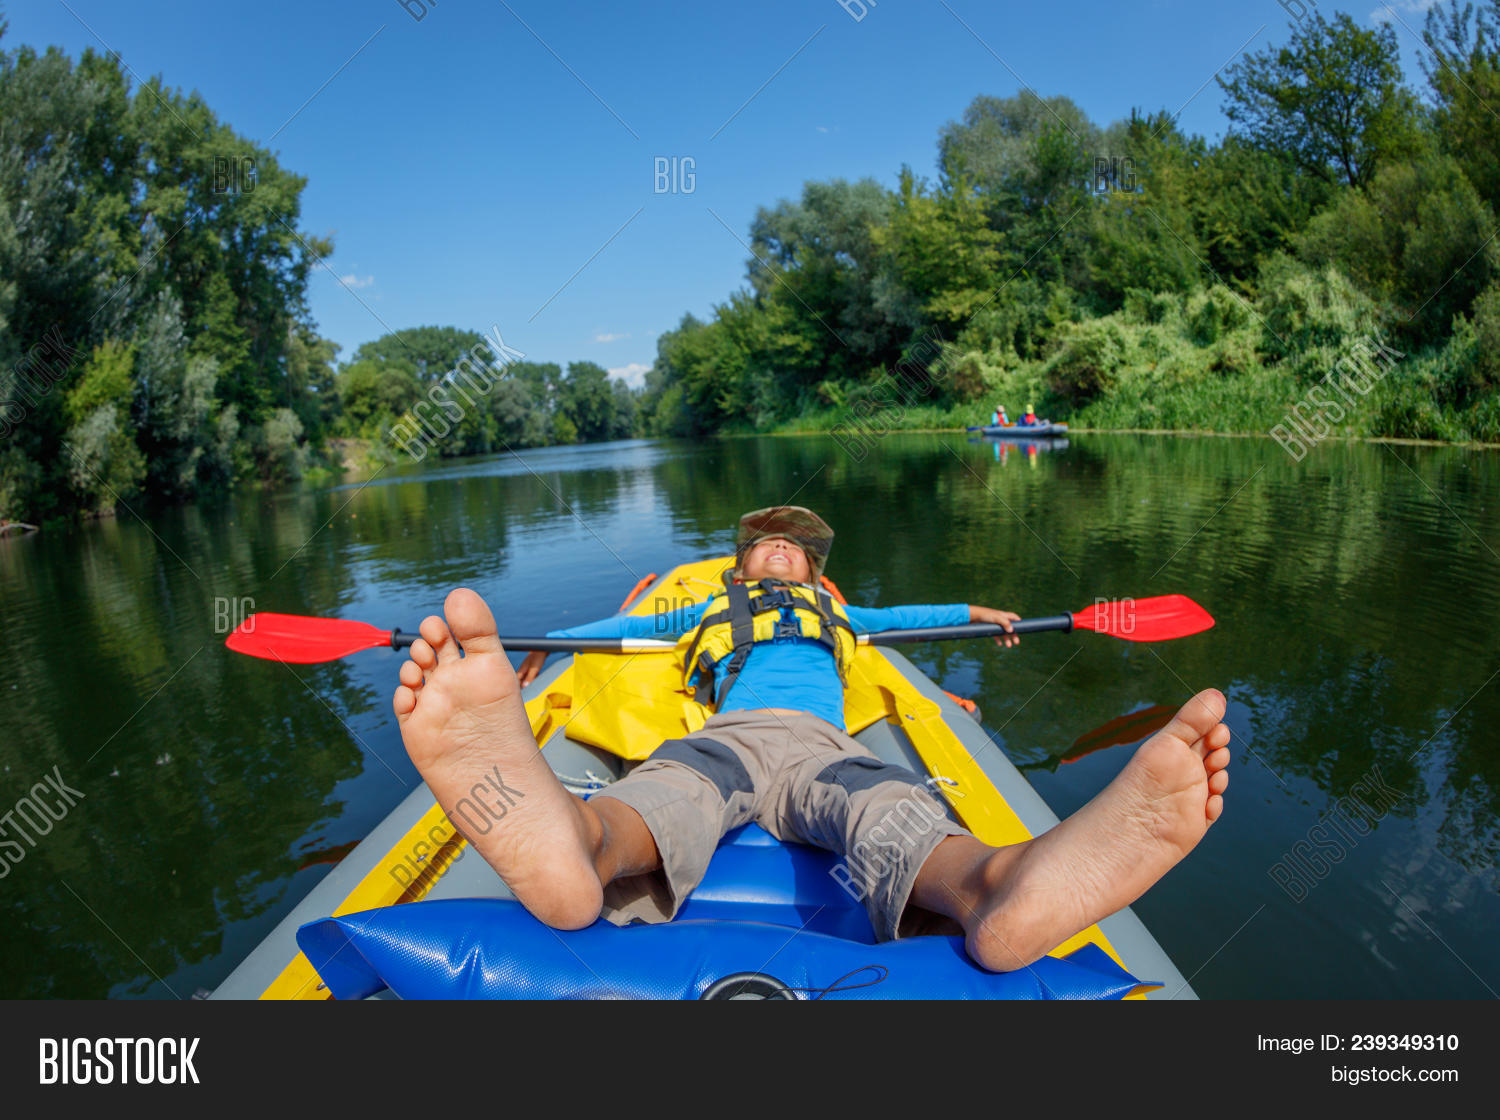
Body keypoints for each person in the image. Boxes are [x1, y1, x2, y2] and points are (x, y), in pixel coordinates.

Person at [393, 506, 1231, 973]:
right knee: (668, 792)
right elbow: (621, 630)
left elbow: (908, 619)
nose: (784, 550)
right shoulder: (703, 610)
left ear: (815, 573)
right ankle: (574, 846)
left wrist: (976, 614)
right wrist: (534, 644)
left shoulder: (840, 611)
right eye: (767, 545)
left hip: (830, 751)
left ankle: (999, 884)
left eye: (795, 547)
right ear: (742, 569)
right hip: (732, 739)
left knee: (892, 809)